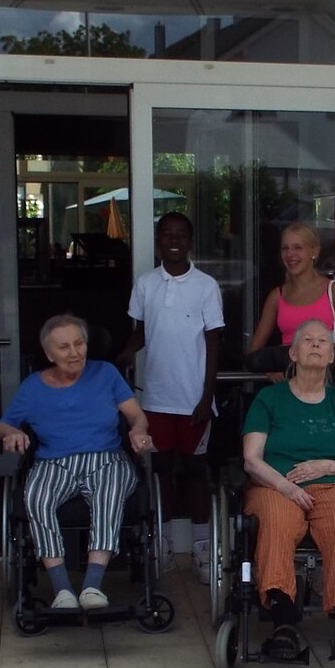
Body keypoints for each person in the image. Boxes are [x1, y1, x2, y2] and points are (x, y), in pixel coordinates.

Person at [0, 313, 155, 614]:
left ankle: (92, 584)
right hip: (53, 461)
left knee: (109, 493)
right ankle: (63, 590)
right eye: (64, 347)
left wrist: (138, 429)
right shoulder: (33, 386)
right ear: (49, 353)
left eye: (79, 343)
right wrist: (12, 431)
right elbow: (1, 426)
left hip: (106, 456)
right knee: (36, 497)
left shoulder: (106, 373)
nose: (74, 352)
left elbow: (136, 414)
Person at [242, 320, 335, 660]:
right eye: (308, 340)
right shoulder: (268, 399)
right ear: (293, 353)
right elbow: (251, 459)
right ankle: (283, 622)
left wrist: (327, 466)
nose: (316, 345)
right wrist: (285, 486)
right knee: (274, 521)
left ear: (332, 356)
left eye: (323, 341)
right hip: (275, 484)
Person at [117, 212, 224, 574]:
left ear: (190, 242)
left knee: (196, 471)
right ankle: (160, 543)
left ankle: (201, 547)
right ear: (158, 241)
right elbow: (141, 333)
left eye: (181, 234)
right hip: (155, 398)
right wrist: (124, 355)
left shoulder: (206, 285)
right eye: (167, 234)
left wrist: (207, 396)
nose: (174, 240)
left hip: (193, 397)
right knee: (160, 468)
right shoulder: (145, 283)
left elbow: (213, 343)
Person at [248, 221, 335, 372]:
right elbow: (254, 352)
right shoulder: (277, 295)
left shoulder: (333, 290)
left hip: (325, 381)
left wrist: (307, 356)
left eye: (298, 248)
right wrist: (270, 370)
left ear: (314, 251)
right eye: (285, 248)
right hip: (288, 383)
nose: (290, 254)